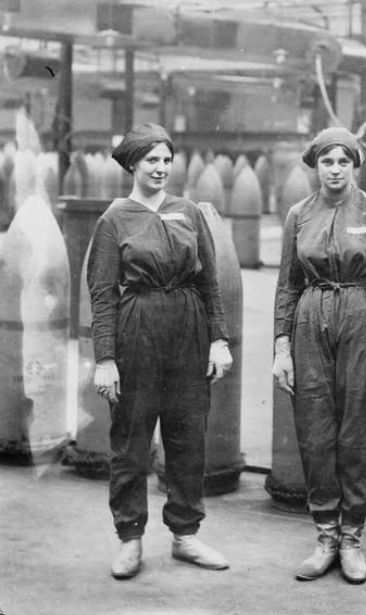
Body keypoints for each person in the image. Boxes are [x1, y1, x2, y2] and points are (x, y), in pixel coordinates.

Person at [87, 123, 234, 580]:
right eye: (152, 160)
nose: (161, 168)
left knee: (188, 438)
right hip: (137, 332)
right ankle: (130, 538)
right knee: (130, 443)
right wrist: (106, 359)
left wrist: (218, 338)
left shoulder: (188, 211)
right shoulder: (114, 220)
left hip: (187, 331)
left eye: (167, 160)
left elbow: (209, 280)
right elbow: (103, 294)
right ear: (133, 164)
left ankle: (185, 535)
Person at [272, 127, 366, 585]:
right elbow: (287, 285)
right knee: (315, 428)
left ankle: (352, 537)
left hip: (359, 317)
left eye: (343, 161)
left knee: (359, 428)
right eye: (327, 161)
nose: (334, 169)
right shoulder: (298, 215)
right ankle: (325, 533)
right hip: (309, 319)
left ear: (354, 166)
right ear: (316, 166)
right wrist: (281, 347)